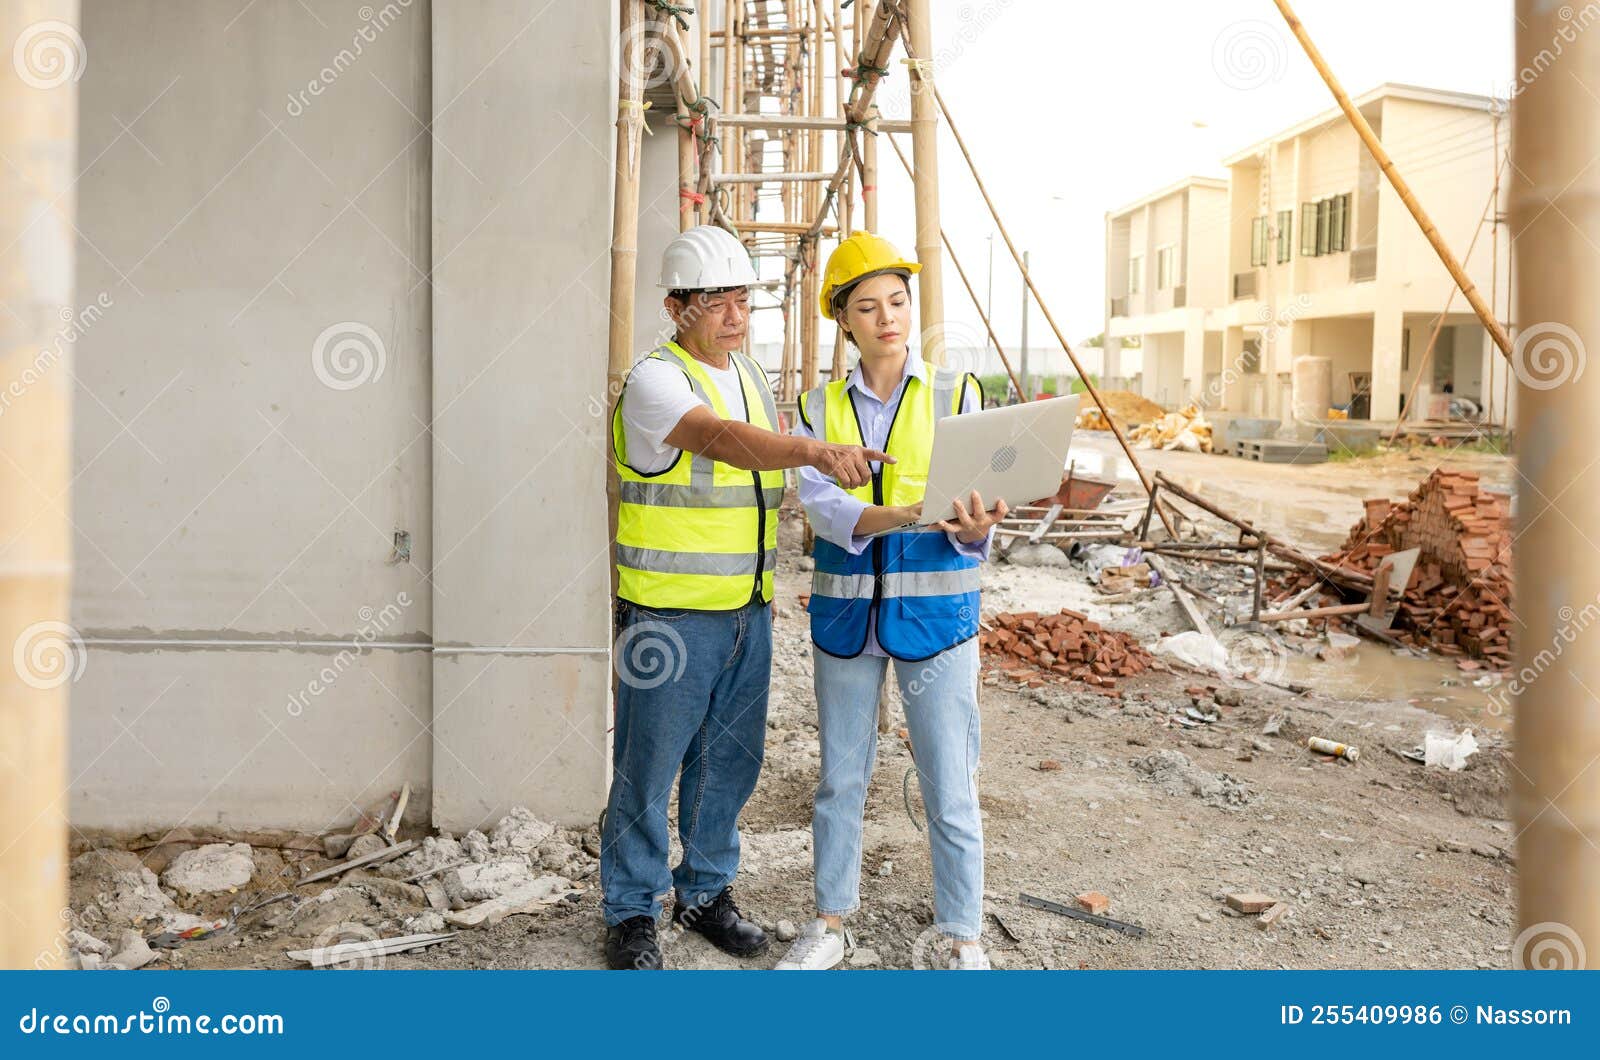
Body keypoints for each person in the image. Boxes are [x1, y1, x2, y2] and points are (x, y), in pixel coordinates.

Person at [602, 224, 892, 970]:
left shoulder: (752, 377)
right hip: (668, 613)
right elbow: (723, 440)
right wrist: (814, 450)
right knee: (649, 766)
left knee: (726, 765)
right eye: (715, 302)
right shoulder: (654, 380)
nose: (735, 315)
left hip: (746, 609)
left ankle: (703, 892)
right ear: (675, 306)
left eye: (743, 299)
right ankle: (631, 911)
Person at [774, 231, 1008, 971]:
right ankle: (829, 924)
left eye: (898, 302)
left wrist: (975, 530)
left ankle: (963, 936)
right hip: (847, 618)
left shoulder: (959, 395)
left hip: (938, 619)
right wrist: (907, 515)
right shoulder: (815, 410)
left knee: (949, 782)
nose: (887, 318)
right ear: (843, 319)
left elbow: (981, 516)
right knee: (840, 779)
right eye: (868, 306)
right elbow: (825, 516)